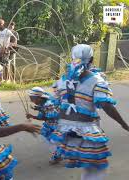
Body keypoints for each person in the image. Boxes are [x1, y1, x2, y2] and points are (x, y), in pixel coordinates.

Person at [51, 44, 129, 180]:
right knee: (95, 169)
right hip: (87, 132)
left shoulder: (62, 81)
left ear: (72, 58)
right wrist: (123, 124)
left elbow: (57, 104)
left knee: (90, 168)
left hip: (66, 131)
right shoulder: (96, 81)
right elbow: (106, 105)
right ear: (92, 59)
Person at [26, 87, 62, 164]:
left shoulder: (48, 104)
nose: (31, 100)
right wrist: (34, 114)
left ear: (39, 98)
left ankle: (58, 155)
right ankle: (58, 154)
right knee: (49, 139)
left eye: (32, 98)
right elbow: (43, 116)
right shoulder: (42, 103)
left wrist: (33, 115)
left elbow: (48, 117)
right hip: (50, 124)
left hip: (57, 125)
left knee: (53, 140)